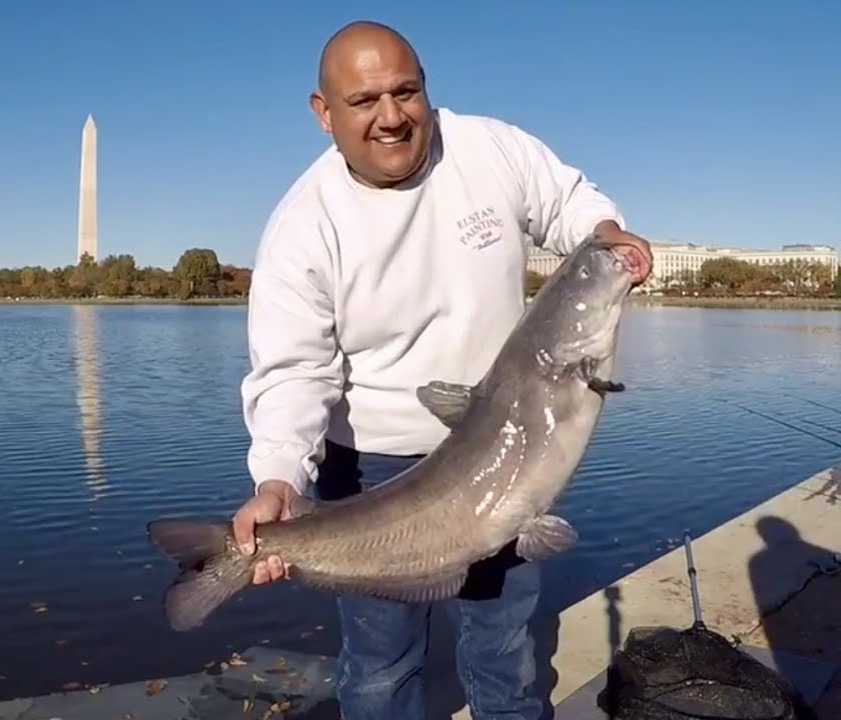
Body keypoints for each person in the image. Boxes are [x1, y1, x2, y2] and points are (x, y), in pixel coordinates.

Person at [234, 19, 652, 720]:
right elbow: (292, 373)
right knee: (379, 668)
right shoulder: (302, 228)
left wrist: (607, 234)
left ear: (428, 88)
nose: (392, 117)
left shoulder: (488, 147)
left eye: (407, 92)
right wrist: (278, 478)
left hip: (507, 441)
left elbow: (570, 202)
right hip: (371, 467)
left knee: (506, 652)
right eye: (365, 101)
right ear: (323, 113)